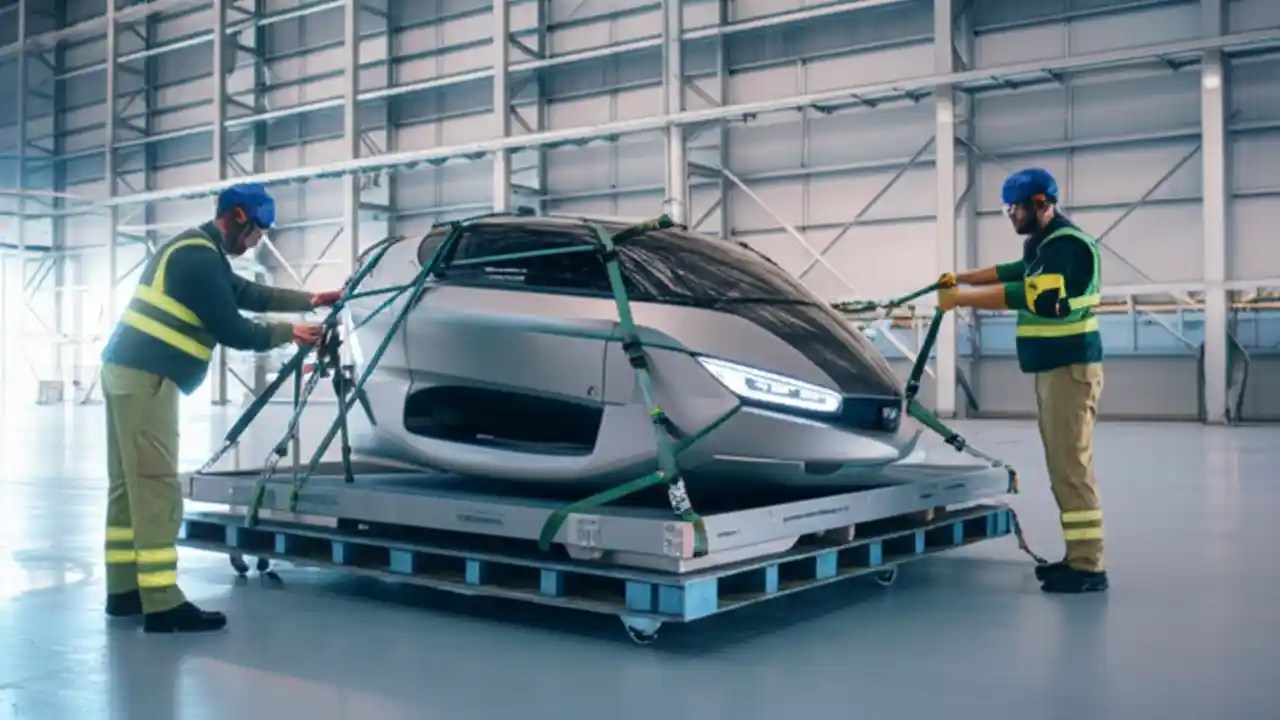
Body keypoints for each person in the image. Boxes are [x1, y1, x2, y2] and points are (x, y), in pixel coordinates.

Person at [99, 183, 343, 632]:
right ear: (235, 217)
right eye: (255, 233)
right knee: (155, 487)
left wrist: (308, 300)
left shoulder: (196, 250)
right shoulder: (199, 259)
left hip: (127, 373)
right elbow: (234, 329)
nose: (255, 243)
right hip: (147, 377)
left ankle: (124, 591)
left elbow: (248, 293)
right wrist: (289, 333)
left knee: (127, 487)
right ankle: (161, 603)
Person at [936, 168, 1107, 594]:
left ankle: (1088, 567)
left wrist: (960, 298)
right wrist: (962, 277)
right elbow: (1015, 270)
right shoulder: (1043, 244)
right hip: (1056, 371)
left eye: (1015, 207)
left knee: (1070, 468)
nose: (1011, 215)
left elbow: (1032, 294)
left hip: (1069, 371)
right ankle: (1078, 557)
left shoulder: (1066, 246)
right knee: (1062, 466)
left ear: (1041, 204)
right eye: (1006, 208)